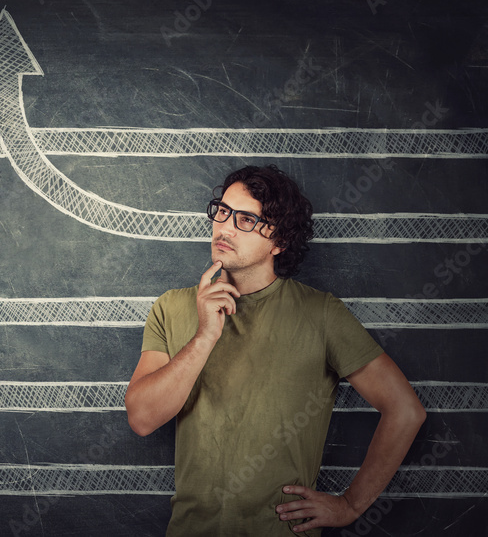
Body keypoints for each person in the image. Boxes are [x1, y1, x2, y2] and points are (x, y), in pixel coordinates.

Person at [124, 165, 426, 536]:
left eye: (247, 219)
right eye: (223, 211)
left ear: (279, 241)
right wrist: (204, 337)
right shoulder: (171, 307)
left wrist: (350, 504)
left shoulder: (322, 313)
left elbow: (405, 410)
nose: (226, 227)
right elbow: (142, 418)